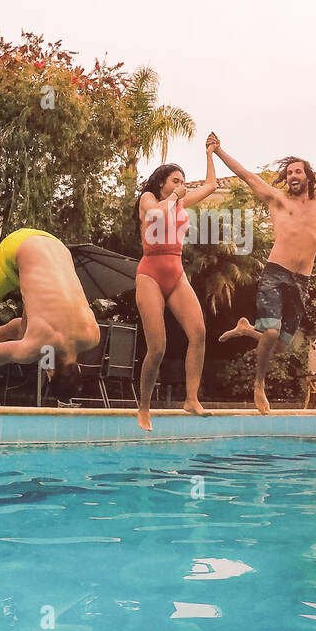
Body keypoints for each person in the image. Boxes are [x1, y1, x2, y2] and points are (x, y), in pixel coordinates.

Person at [211, 114, 316, 413]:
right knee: (270, 333)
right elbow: (247, 176)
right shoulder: (277, 200)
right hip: (275, 274)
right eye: (289, 172)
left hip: (301, 280)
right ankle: (258, 385)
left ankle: (245, 329)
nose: (293, 176)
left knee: (282, 343)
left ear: (308, 176)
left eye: (298, 172)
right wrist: (219, 151)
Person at [0, 230, 100, 432]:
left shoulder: (92, 336)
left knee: (25, 335)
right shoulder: (35, 346)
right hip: (17, 246)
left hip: (57, 246)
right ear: (51, 373)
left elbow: (47, 322)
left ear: (79, 368)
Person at [134, 136, 219, 430]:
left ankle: (191, 399)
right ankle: (144, 408)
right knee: (157, 346)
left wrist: (210, 153)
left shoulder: (180, 201)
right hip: (150, 273)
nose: (181, 185)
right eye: (175, 180)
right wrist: (173, 198)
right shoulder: (149, 199)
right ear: (162, 183)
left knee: (199, 333)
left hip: (175, 271)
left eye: (182, 180)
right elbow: (157, 215)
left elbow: (211, 186)